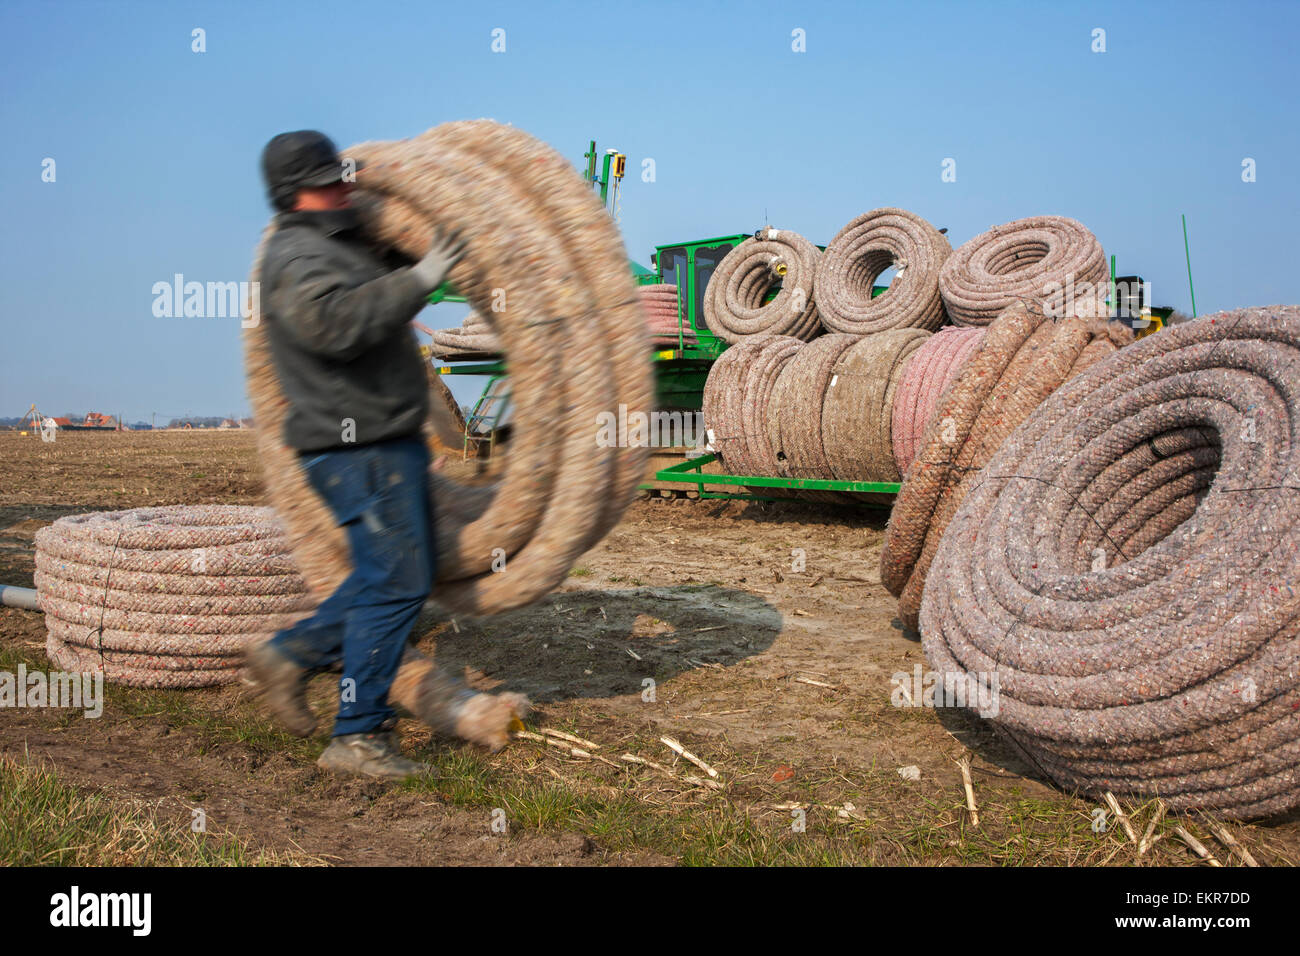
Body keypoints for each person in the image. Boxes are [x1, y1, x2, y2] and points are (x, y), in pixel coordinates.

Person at [247, 130, 481, 780]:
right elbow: (335, 325)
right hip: (357, 450)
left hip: (383, 443)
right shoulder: (296, 255)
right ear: (295, 195)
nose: (345, 186)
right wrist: (423, 276)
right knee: (399, 582)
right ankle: (355, 736)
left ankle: (290, 654)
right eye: (329, 181)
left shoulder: (340, 244)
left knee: (392, 573)